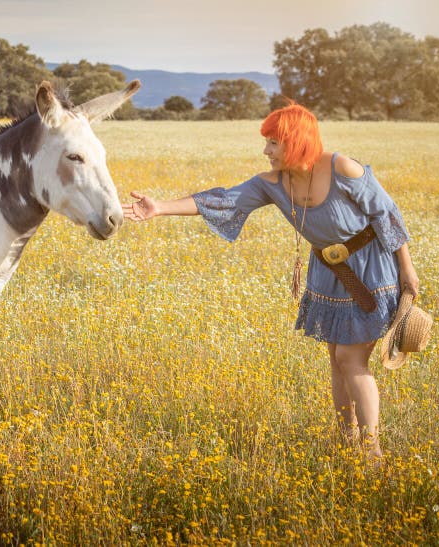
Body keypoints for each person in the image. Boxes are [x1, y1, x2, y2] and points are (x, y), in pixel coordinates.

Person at [123, 102, 419, 459]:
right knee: (336, 360)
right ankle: (345, 440)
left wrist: (407, 269)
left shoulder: (342, 167)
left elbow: (387, 215)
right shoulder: (271, 184)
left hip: (371, 270)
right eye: (267, 142)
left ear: (297, 141)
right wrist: (160, 208)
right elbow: (222, 200)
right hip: (329, 271)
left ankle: (372, 450)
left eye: (274, 142)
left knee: (350, 358)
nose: (266, 151)